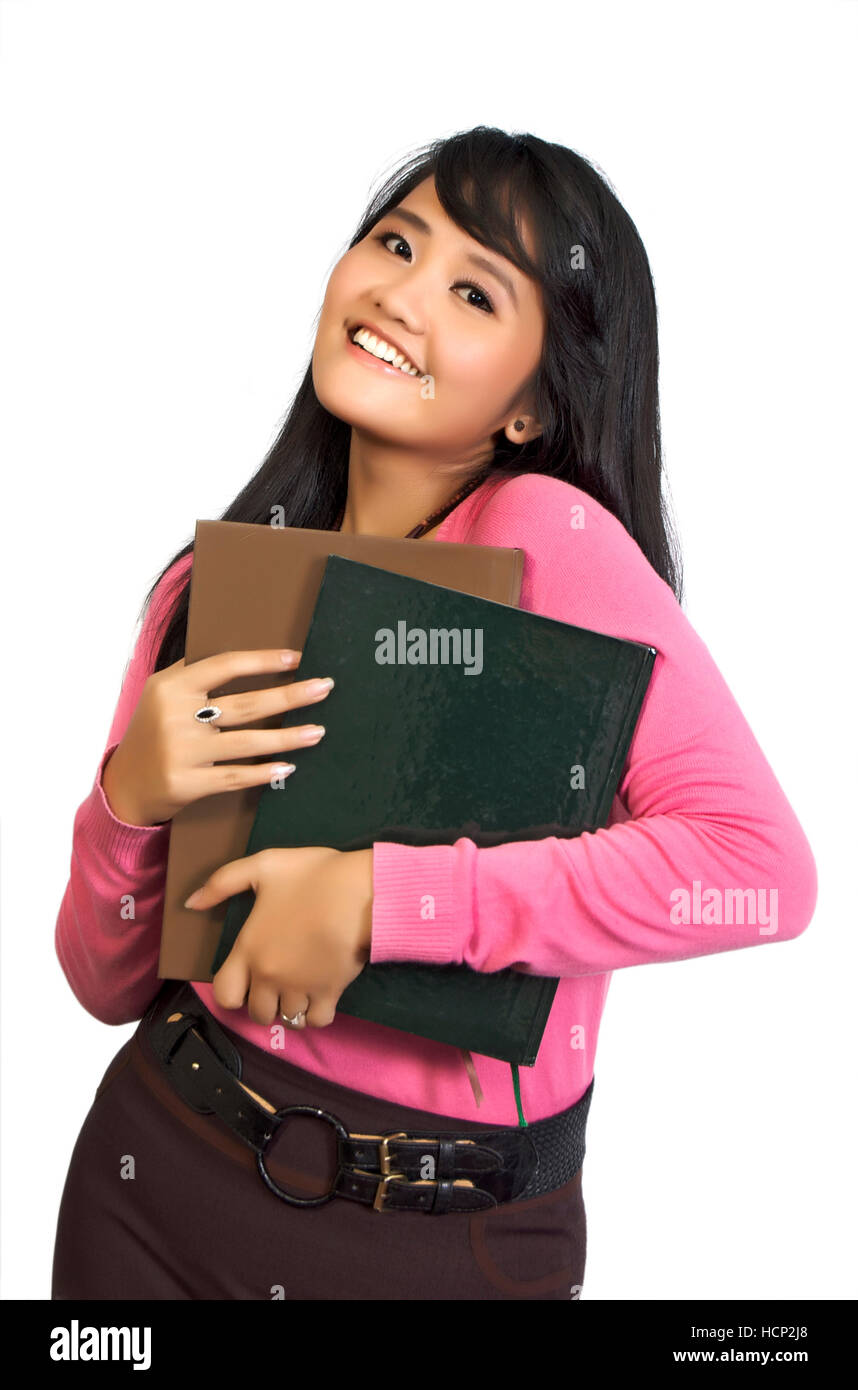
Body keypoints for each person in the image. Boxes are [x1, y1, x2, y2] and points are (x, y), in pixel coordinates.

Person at [51, 125, 818, 1301]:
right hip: (150, 1184)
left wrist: (379, 900)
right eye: (394, 241)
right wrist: (126, 804)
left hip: (429, 1247)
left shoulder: (544, 539)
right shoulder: (212, 584)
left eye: (471, 289)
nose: (400, 293)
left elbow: (760, 870)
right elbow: (104, 983)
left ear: (530, 401)